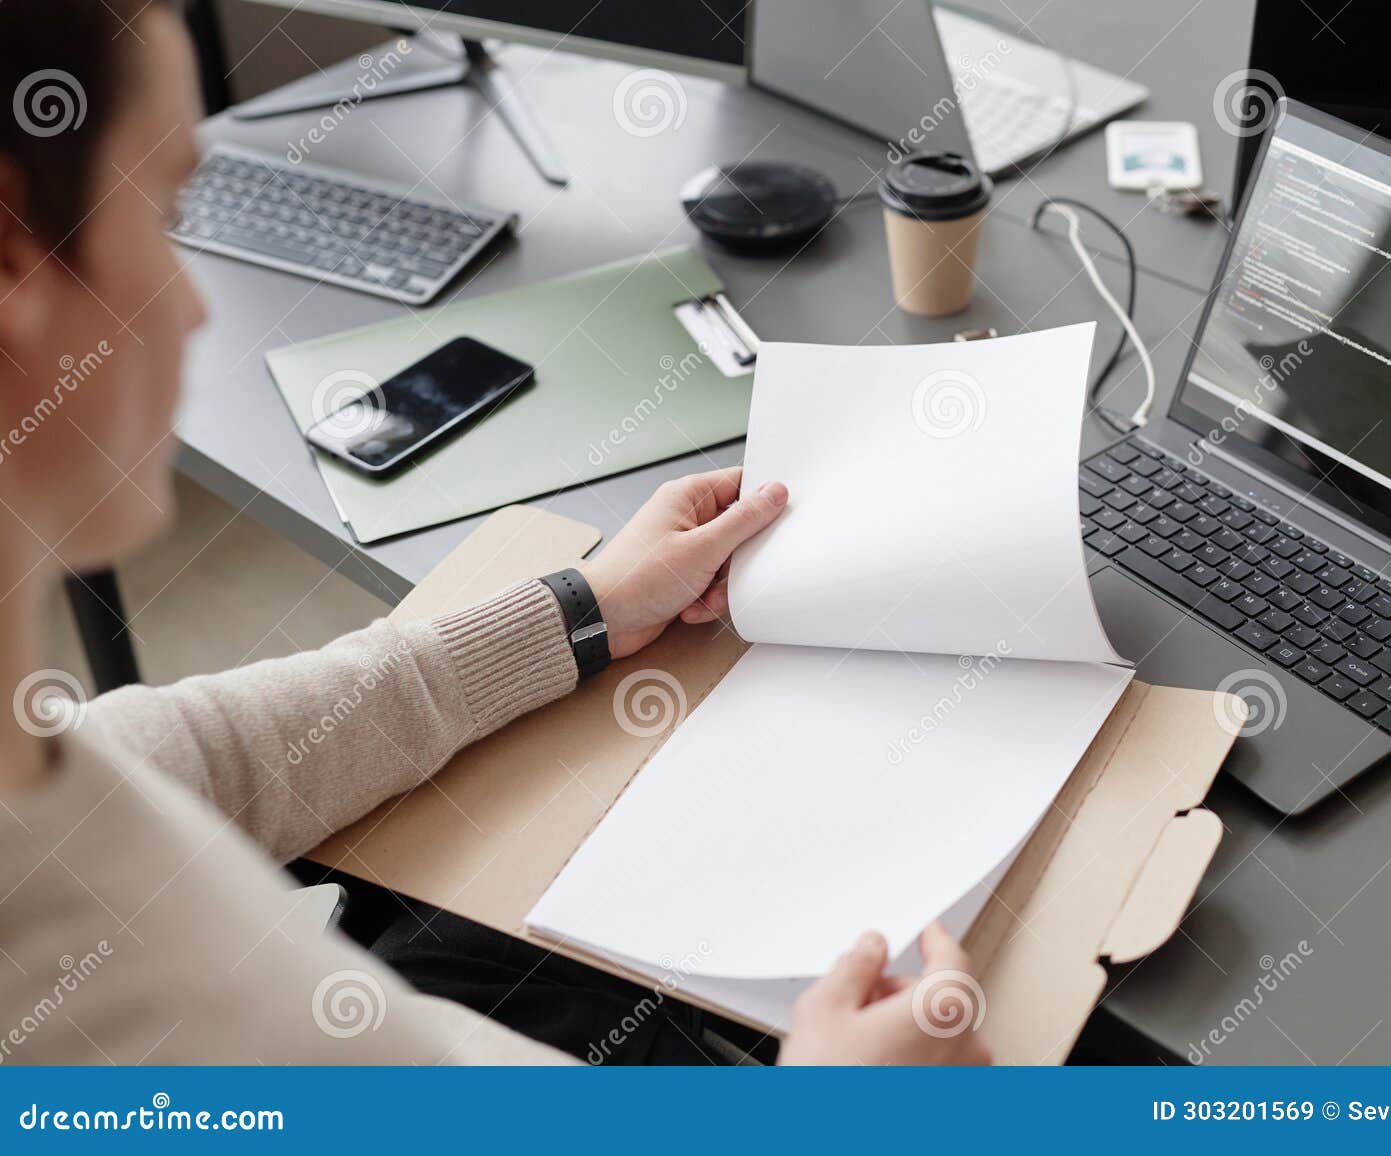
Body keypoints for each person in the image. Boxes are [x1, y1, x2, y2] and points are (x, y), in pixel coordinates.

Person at [0, 1, 991, 1066]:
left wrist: (584, 608)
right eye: (160, 212)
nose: (193, 308)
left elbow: (201, 761)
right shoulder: (104, 1010)